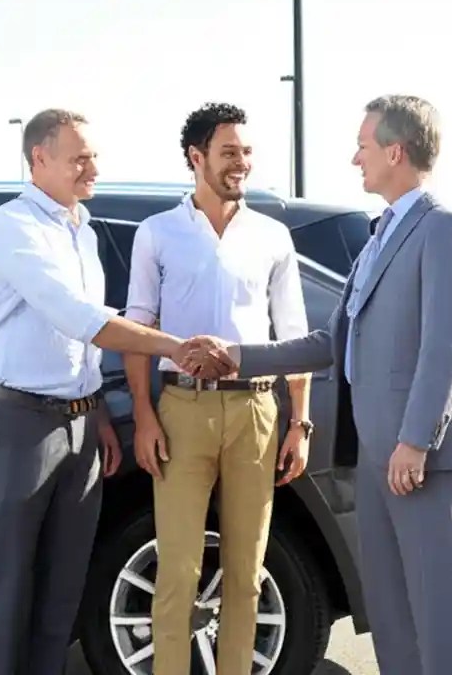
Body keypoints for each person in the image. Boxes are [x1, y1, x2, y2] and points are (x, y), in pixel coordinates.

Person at [184, 95, 452, 675]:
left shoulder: (446, 228)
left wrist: (416, 441)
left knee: (443, 611)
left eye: (364, 146)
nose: (355, 159)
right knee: (392, 613)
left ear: (396, 151)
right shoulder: (378, 238)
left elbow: (445, 347)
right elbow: (330, 343)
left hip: (420, 459)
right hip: (375, 458)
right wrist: (235, 357)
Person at [0, 108, 230, 675]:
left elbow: (84, 345)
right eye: (79, 156)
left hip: (81, 428)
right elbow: (77, 317)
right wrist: (173, 346)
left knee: (62, 588)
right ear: (39, 158)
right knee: (8, 586)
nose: (93, 167)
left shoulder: (81, 228)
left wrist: (99, 415)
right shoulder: (13, 226)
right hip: (22, 427)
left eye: (94, 155)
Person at [120, 102, 313, 675]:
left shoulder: (273, 237)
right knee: (176, 569)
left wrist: (299, 422)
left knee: (247, 570)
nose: (242, 164)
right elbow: (138, 329)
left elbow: (295, 337)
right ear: (196, 157)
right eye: (230, 152)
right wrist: (145, 416)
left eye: (247, 152)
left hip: (257, 412)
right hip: (181, 409)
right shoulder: (156, 234)